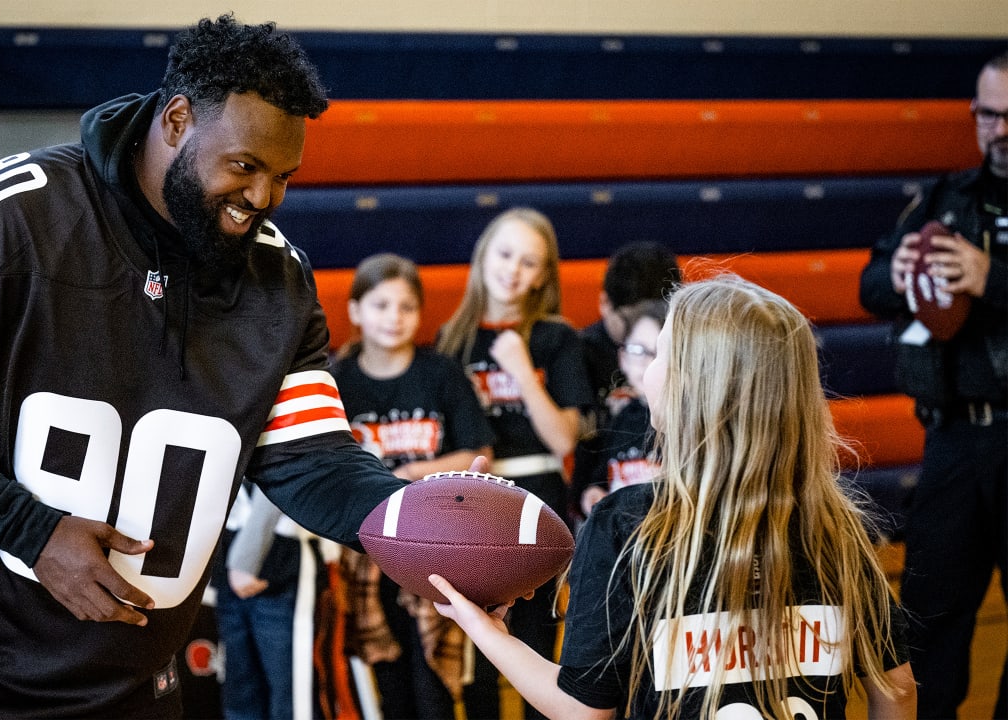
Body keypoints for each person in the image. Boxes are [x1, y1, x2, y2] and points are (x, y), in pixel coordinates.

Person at [0, 15, 412, 718]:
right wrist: (29, 529)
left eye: (284, 176)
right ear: (177, 120)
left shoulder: (277, 278)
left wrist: (416, 528)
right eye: (245, 167)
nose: (263, 198)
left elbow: (310, 457)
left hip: (128, 661)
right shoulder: (4, 221)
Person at [431, 275, 918, 720]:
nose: (646, 370)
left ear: (692, 390)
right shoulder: (835, 526)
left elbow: (582, 711)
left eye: (659, 354)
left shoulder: (627, 524)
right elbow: (896, 688)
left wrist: (486, 631)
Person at [859, 50, 1008, 720]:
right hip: (951, 439)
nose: (1000, 130)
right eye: (990, 115)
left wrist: (992, 278)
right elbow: (869, 283)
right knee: (929, 614)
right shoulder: (944, 198)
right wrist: (897, 277)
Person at [435, 208, 592, 720]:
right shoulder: (451, 341)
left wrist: (523, 371)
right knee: (476, 649)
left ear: (544, 275)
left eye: (530, 262)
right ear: (483, 257)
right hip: (475, 497)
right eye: (505, 255)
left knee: (534, 641)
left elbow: (564, 436)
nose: (513, 271)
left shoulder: (557, 338)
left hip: (540, 493)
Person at [330, 253, 496, 720]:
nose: (394, 318)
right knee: (386, 679)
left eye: (406, 307)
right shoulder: (336, 380)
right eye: (381, 305)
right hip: (364, 547)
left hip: (433, 543)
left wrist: (404, 476)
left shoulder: (439, 372)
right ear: (356, 311)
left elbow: (477, 455)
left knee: (434, 685)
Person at [571, 241, 680, 525]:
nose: (646, 362)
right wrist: (590, 491)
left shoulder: (683, 363)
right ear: (605, 305)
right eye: (632, 320)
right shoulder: (581, 352)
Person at [213, 480, 323, 720]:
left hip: (282, 566)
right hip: (225, 565)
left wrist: (245, 563)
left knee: (291, 695)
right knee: (239, 690)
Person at [577, 298, 667, 517]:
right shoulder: (621, 417)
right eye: (638, 350)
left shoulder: (688, 421)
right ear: (622, 357)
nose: (647, 362)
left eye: (658, 353)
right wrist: (594, 493)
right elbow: (600, 478)